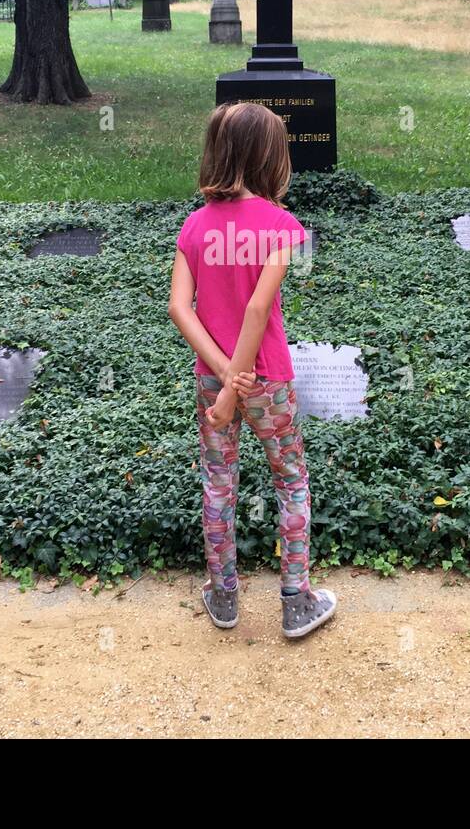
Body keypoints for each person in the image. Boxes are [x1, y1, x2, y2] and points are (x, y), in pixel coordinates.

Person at [168, 102, 337, 639]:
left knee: (218, 483)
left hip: (212, 378)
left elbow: (178, 307)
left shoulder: (193, 227)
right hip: (269, 380)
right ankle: (296, 601)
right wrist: (241, 379)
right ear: (269, 156)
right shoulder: (282, 226)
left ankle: (223, 597)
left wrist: (222, 381)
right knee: (291, 481)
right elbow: (258, 310)